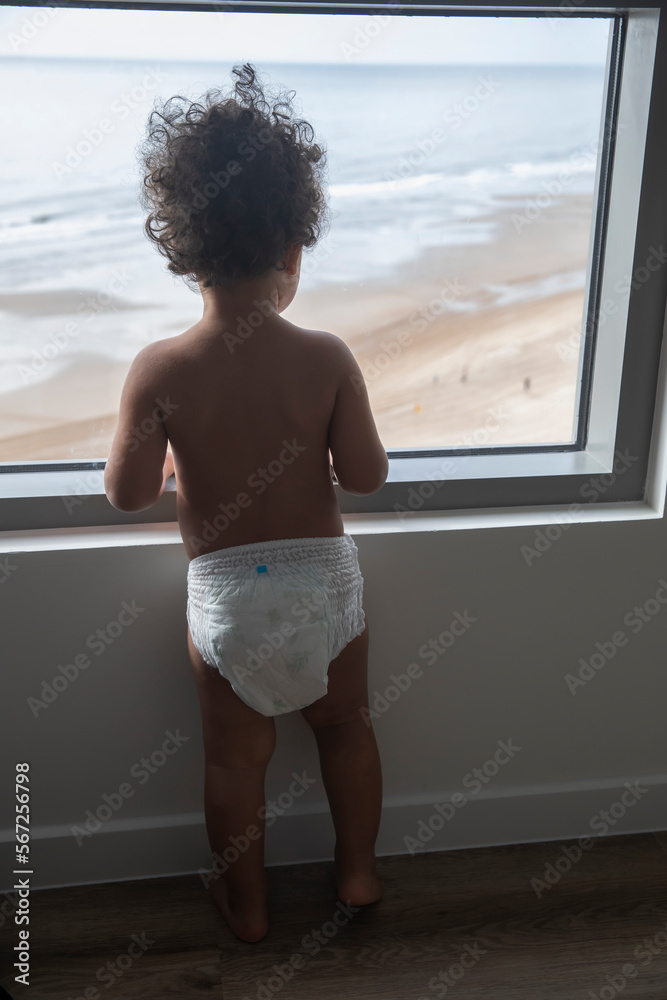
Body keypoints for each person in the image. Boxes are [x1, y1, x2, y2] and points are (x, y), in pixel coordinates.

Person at [104, 64, 388, 943]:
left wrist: (181, 471)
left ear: (182, 251)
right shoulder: (327, 355)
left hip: (230, 595)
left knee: (236, 761)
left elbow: (124, 492)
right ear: (294, 250)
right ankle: (358, 875)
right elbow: (367, 474)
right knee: (343, 728)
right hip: (324, 590)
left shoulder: (160, 368)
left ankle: (250, 909)